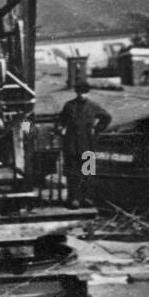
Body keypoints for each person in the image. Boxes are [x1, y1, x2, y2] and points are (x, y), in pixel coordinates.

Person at [57, 81, 111, 209]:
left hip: (87, 144)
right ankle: (73, 199)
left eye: (84, 92)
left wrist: (96, 130)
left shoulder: (93, 106)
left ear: (88, 92)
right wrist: (60, 128)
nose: (82, 95)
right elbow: (60, 121)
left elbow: (107, 117)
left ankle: (87, 198)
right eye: (79, 92)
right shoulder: (69, 106)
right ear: (76, 92)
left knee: (88, 172)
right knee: (72, 173)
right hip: (71, 145)